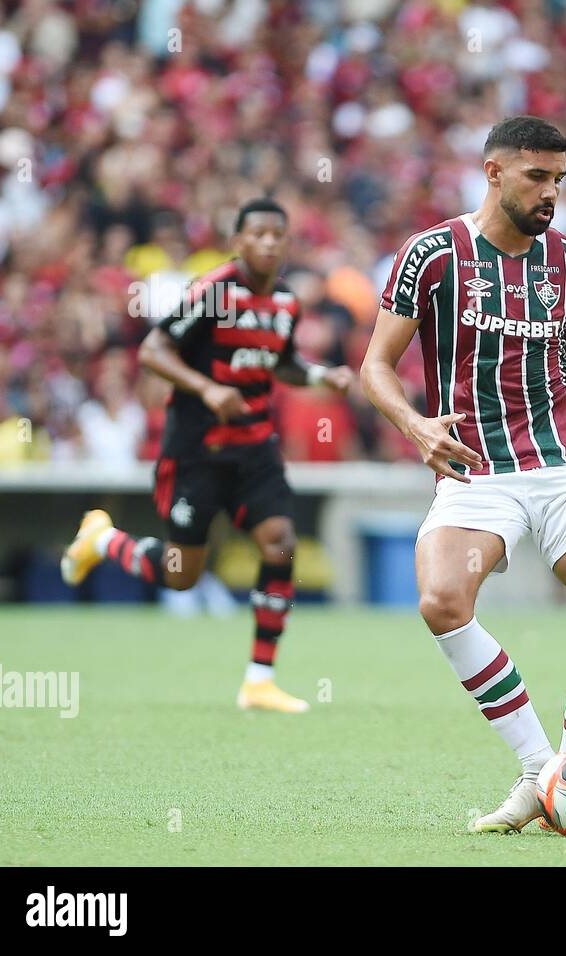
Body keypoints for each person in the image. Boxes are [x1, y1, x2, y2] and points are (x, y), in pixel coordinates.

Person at [360, 116, 566, 834]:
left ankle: (562, 783)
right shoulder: (433, 255)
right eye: (536, 177)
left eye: (559, 180)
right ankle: (538, 768)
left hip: (563, 466)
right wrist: (417, 426)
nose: (551, 193)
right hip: (477, 469)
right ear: (494, 173)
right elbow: (375, 366)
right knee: (441, 598)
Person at [60, 198, 355, 713]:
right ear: (238, 241)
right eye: (257, 234)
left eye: (276, 235)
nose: (267, 242)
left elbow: (279, 366)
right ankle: (103, 539)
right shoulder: (214, 292)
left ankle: (259, 679)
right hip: (197, 449)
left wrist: (318, 376)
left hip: (255, 447)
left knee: (280, 542)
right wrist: (207, 389)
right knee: (182, 573)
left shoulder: (286, 303)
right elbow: (153, 350)